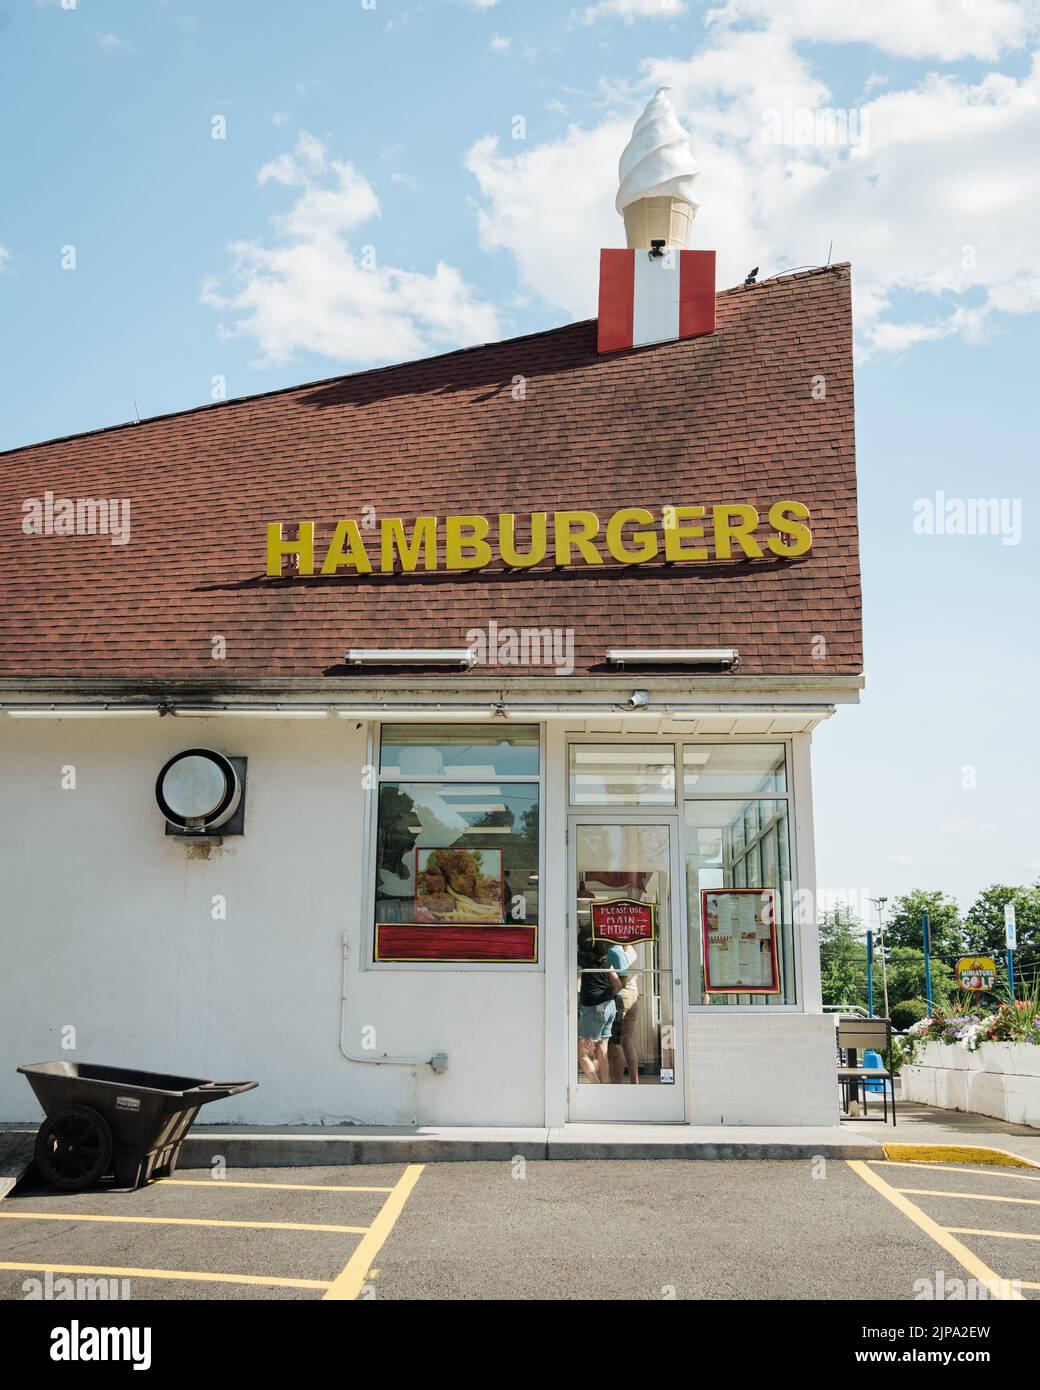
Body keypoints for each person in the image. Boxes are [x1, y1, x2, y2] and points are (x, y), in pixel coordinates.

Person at [577, 943, 621, 1083]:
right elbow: (618, 984)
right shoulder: (606, 961)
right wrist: (607, 997)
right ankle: (605, 1089)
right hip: (609, 1007)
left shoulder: (584, 961)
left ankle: (596, 1087)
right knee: (602, 1051)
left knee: (583, 1054)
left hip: (593, 1009)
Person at [607, 942, 640, 1084]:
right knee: (627, 1041)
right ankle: (634, 1081)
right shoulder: (632, 950)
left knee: (614, 1043)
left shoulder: (615, 951)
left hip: (622, 995)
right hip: (634, 994)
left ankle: (617, 1083)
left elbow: (622, 981)